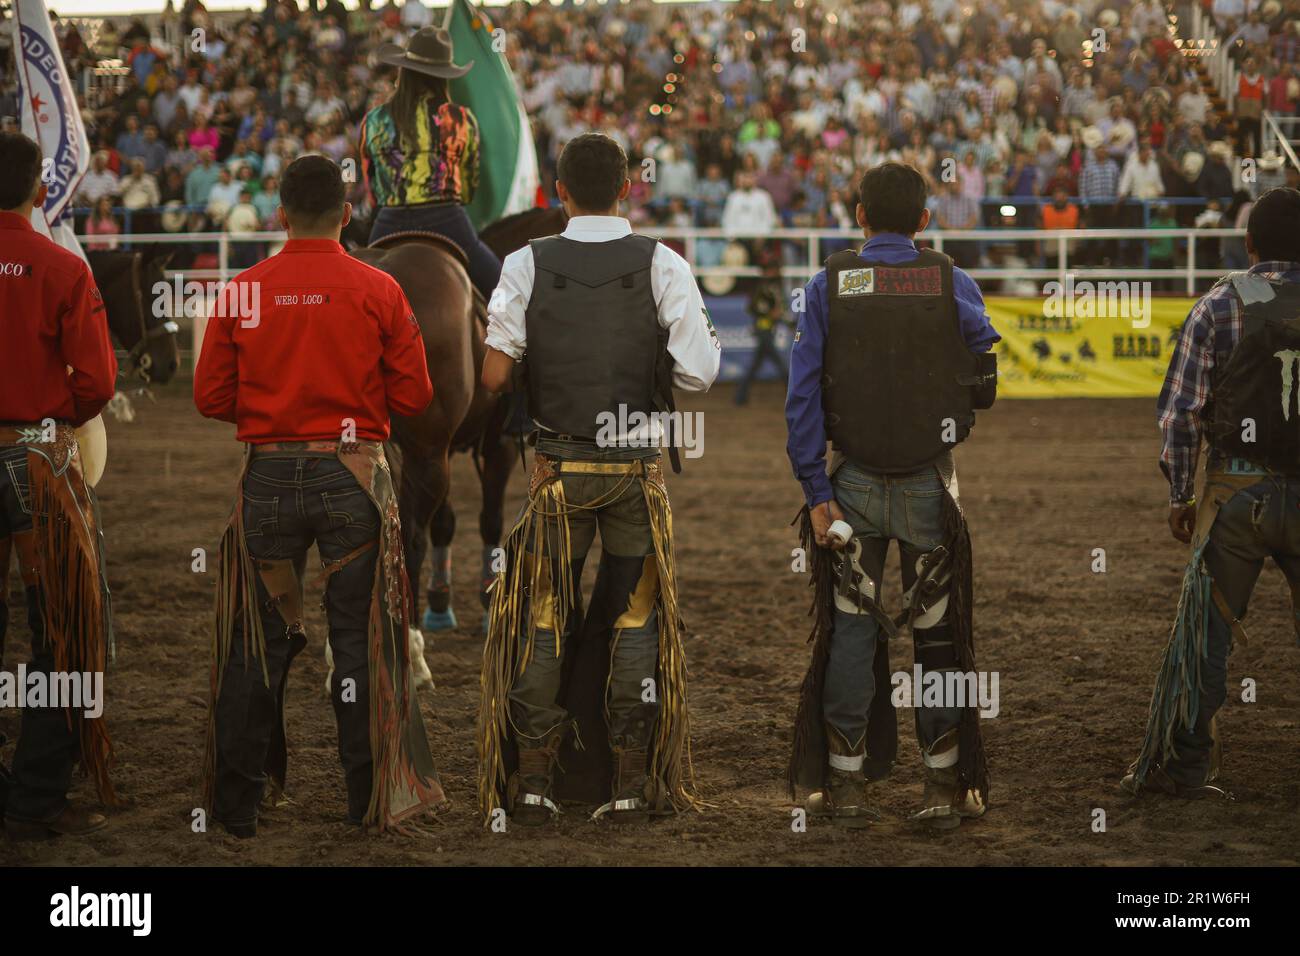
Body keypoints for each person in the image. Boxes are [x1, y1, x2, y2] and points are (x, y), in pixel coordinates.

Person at [193, 154, 445, 837]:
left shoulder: (244, 289)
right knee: (358, 647)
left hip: (269, 475)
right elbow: (417, 396)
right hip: (351, 476)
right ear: (346, 214)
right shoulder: (379, 288)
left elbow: (210, 395)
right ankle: (366, 801)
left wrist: (275, 405)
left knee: (255, 644)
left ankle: (238, 806)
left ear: (280, 212)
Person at [477, 133, 720, 827]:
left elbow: (494, 375)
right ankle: (630, 778)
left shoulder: (526, 262)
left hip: (556, 469)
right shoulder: (662, 263)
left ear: (559, 194)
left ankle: (532, 782)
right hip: (635, 471)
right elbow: (700, 372)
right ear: (627, 189)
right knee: (636, 616)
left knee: (542, 616)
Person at [785, 162, 1000, 829]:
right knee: (937, 632)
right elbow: (985, 376)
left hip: (850, 483)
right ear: (925, 221)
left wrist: (815, 489)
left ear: (859, 216)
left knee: (850, 628)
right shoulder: (950, 280)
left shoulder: (828, 284)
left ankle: (845, 784)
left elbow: (801, 399)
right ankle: (942, 783)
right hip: (928, 483)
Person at [1123, 187, 1300, 798]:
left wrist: (1180, 495)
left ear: (1249, 244)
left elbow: (1179, 415)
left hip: (1236, 492)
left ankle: (1186, 764)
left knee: (1206, 633)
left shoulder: (1222, 302)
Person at [0, 132, 118, 840]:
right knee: (58, 627)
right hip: (35, 460)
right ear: (40, 193)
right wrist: (53, 421)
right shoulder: (62, 267)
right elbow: (98, 381)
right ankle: (37, 792)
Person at [359, 26, 501, 302]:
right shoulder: (462, 119)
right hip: (448, 220)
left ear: (405, 70)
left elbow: (372, 186)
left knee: (354, 296)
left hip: (389, 222)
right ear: (443, 77)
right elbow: (469, 187)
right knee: (505, 288)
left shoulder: (374, 120)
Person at [734, 246, 790, 405]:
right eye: (771, 269)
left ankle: (740, 397)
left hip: (768, 328)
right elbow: (753, 307)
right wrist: (769, 313)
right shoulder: (762, 287)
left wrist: (779, 315)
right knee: (780, 365)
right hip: (762, 328)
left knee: (755, 366)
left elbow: (779, 308)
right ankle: (792, 394)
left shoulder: (775, 286)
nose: (773, 272)